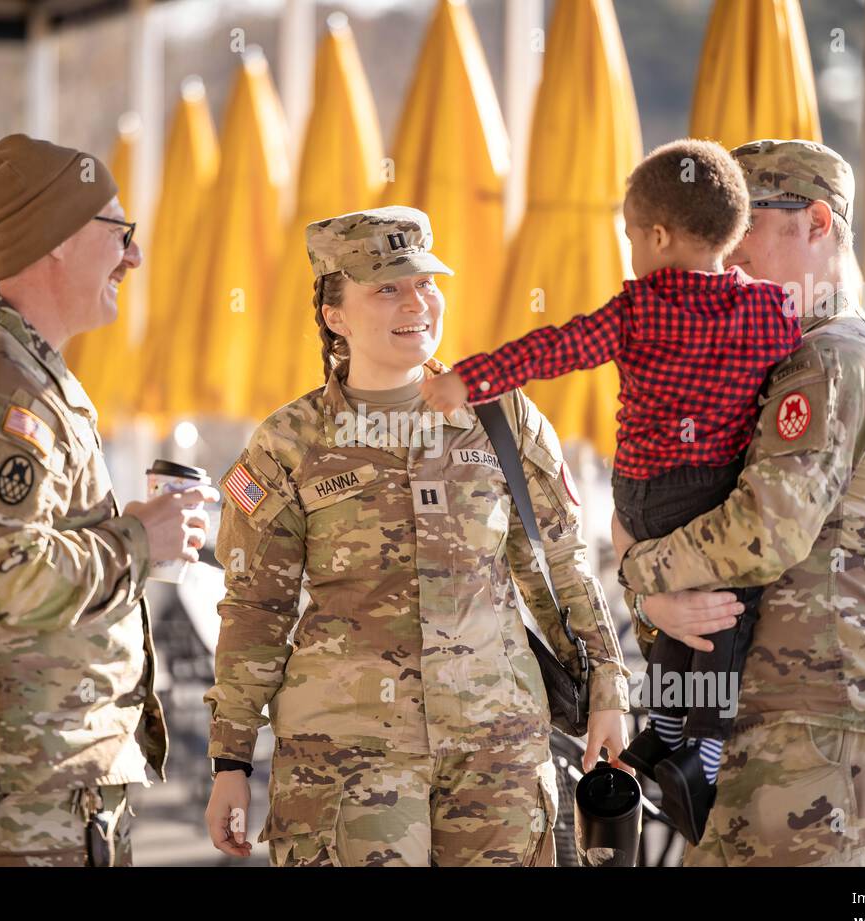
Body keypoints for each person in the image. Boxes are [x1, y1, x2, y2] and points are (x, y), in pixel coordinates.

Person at [203, 206, 631, 867]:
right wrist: (231, 760)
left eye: (426, 282)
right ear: (334, 314)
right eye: (387, 288)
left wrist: (607, 689)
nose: (417, 302)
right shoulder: (288, 444)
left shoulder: (501, 414)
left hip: (499, 749)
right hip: (349, 759)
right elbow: (256, 609)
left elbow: (560, 566)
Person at [422, 139, 802, 843]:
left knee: (673, 621)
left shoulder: (638, 309)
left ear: (657, 236)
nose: (630, 249)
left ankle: (664, 736)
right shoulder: (774, 312)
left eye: (630, 235)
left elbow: (548, 349)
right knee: (723, 618)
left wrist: (465, 380)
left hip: (643, 499)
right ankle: (700, 752)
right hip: (717, 494)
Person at [0, 133, 218, 866]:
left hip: (37, 785)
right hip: (24, 796)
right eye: (118, 232)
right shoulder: (1, 382)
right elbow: (5, 574)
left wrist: (135, 531)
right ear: (57, 242)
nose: (133, 257)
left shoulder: (13, 367)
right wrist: (141, 544)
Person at [616, 139, 865, 866]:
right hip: (764, 720)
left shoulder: (830, 359)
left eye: (748, 224)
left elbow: (766, 531)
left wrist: (638, 569)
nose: (728, 251)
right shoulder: (775, 353)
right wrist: (652, 600)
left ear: (816, 222)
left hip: (817, 722)